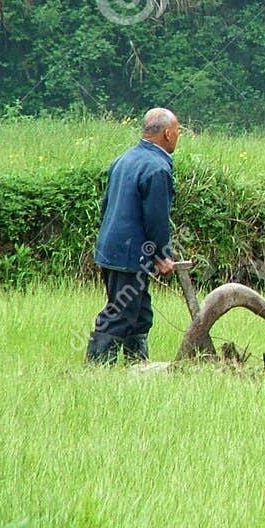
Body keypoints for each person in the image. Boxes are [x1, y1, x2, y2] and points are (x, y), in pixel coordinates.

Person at [86, 108, 181, 363]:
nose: (178, 136)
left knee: (140, 313)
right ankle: (95, 370)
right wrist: (162, 255)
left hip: (112, 249)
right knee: (120, 314)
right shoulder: (158, 168)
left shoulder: (123, 160)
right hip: (130, 255)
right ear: (168, 134)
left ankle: (136, 367)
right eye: (178, 131)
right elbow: (156, 218)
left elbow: (106, 206)